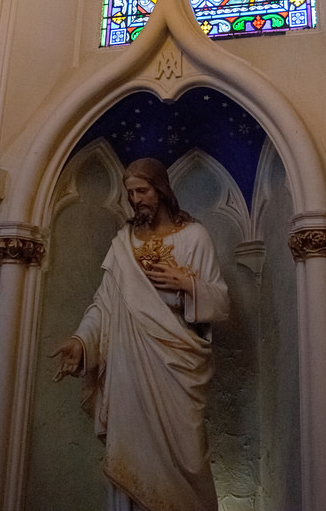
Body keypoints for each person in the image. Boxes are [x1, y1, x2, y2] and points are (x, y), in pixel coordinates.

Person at [53, 157, 229, 511]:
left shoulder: (194, 237)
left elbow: (221, 301)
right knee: (132, 457)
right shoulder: (123, 243)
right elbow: (104, 304)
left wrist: (188, 284)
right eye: (130, 193)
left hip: (176, 368)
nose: (136, 199)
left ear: (161, 190)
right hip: (129, 370)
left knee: (188, 453)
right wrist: (81, 342)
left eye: (142, 191)